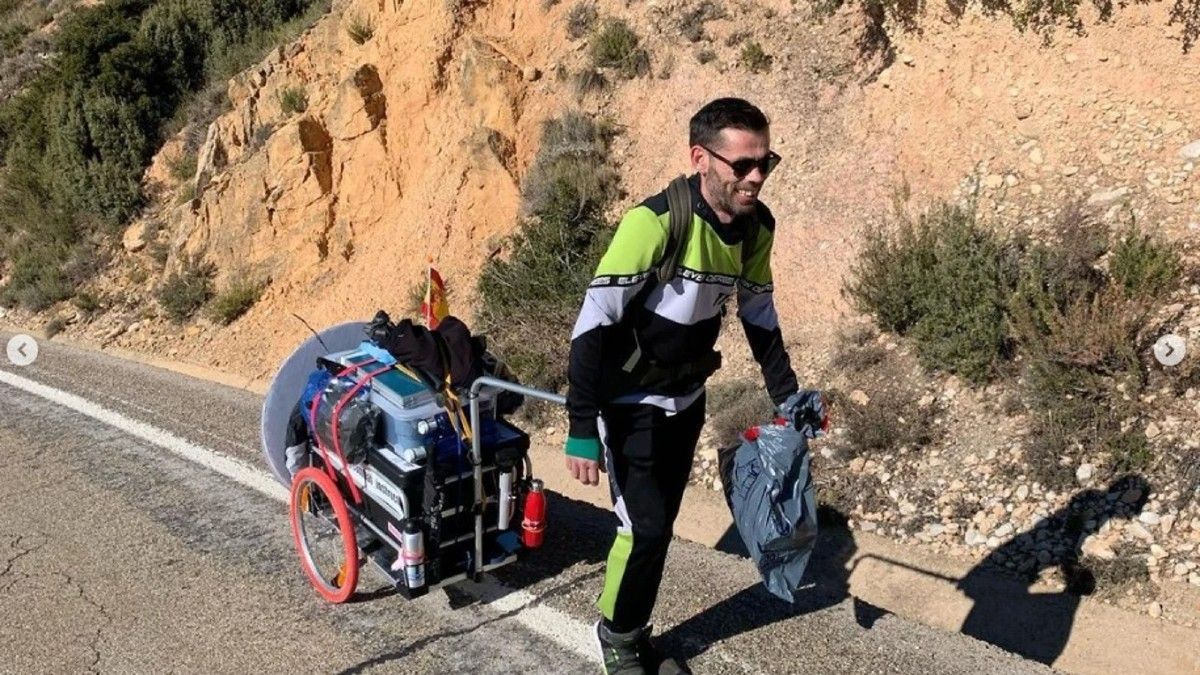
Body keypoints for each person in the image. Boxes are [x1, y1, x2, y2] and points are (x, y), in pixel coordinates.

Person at [564, 97, 825, 675]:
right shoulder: (654, 222)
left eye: (765, 163)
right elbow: (592, 325)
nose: (755, 177)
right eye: (742, 165)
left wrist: (787, 393)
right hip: (626, 402)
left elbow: (759, 314)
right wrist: (581, 425)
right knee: (645, 528)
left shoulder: (758, 227)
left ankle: (634, 627)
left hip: (685, 401)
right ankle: (620, 642)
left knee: (660, 529)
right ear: (700, 158)